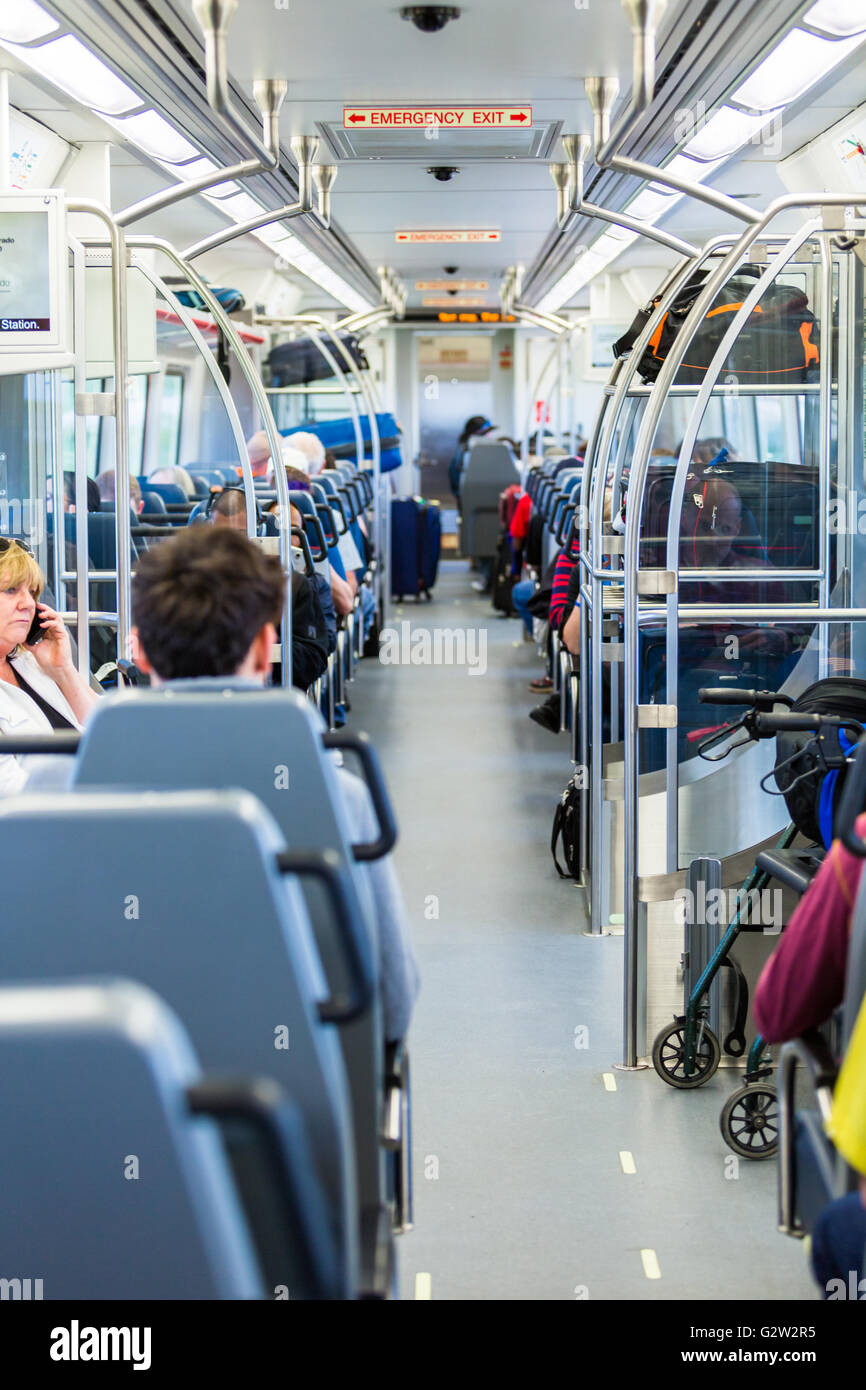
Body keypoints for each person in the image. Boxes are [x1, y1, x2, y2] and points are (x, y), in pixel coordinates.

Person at [129, 525, 419, 1041]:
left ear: (141, 652)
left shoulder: (60, 784)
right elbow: (393, 1001)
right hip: (307, 1110)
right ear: (267, 650)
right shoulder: (339, 799)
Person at [0, 537, 100, 795]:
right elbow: (14, 793)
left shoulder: (31, 661)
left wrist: (63, 671)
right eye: (11, 590)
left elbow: (112, 734)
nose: (28, 604)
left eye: (32, 592)